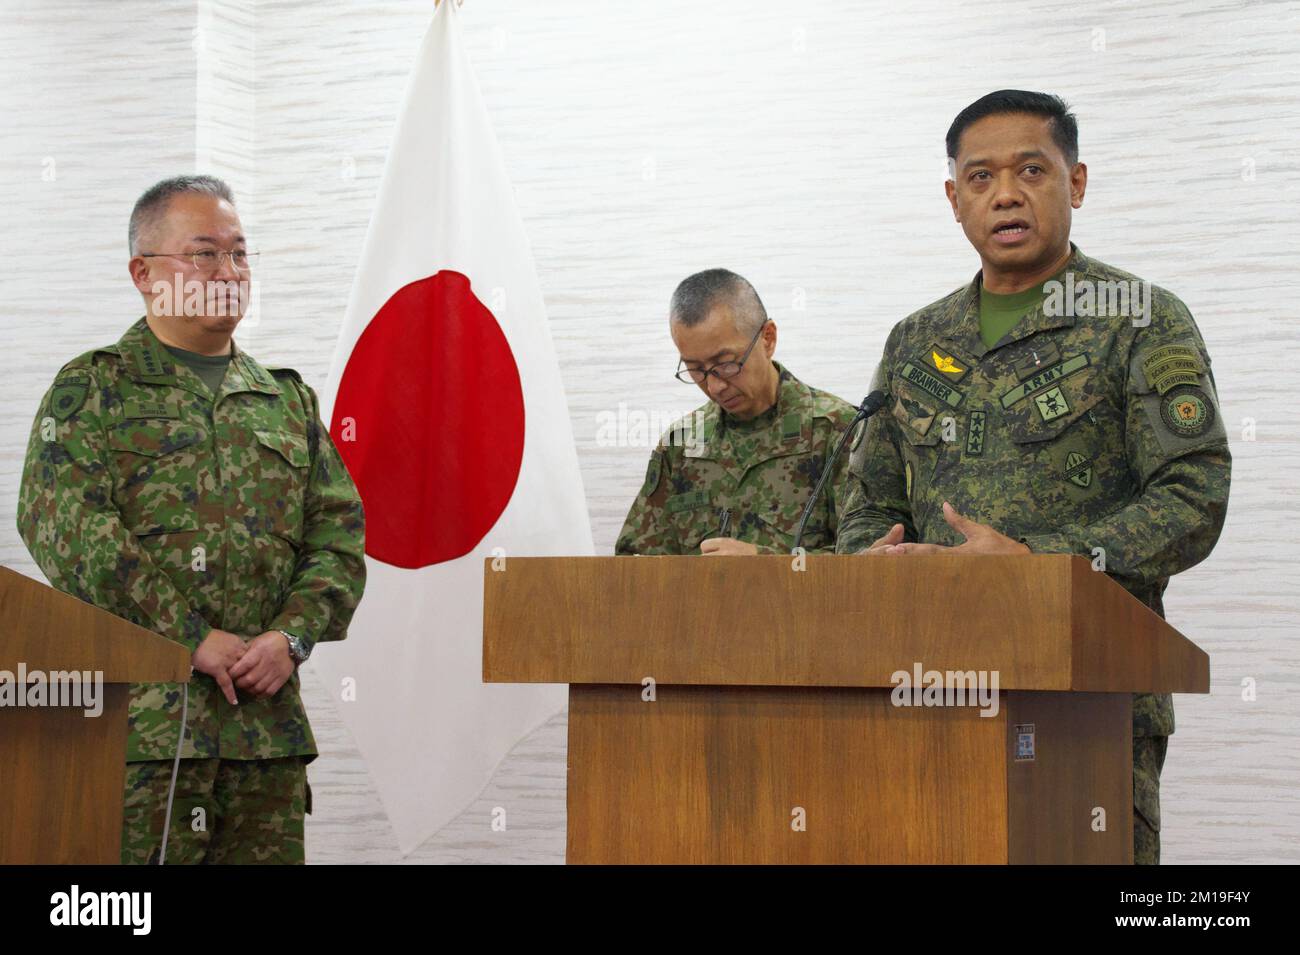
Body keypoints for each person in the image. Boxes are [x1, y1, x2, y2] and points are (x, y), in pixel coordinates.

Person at [835, 91, 1231, 864]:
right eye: (980, 177)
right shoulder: (916, 339)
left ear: (1075, 182)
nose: (1005, 193)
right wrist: (871, 558)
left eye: (1031, 170)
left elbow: (1194, 496)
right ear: (954, 199)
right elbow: (869, 500)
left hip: (1089, 699)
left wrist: (1040, 562)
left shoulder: (1141, 320)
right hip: (924, 687)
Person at [17, 174, 367, 864]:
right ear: (144, 274)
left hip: (264, 738)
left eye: (240, 254)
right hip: (142, 736)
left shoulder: (285, 402)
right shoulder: (94, 388)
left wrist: (290, 636)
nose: (229, 272)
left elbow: (339, 540)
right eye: (203, 253)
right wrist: (189, 637)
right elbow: (64, 527)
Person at [617, 268, 859, 556]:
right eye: (695, 369)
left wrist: (763, 566)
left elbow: (867, 562)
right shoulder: (681, 445)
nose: (715, 385)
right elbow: (635, 564)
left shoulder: (838, 431)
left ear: (767, 338)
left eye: (727, 363)